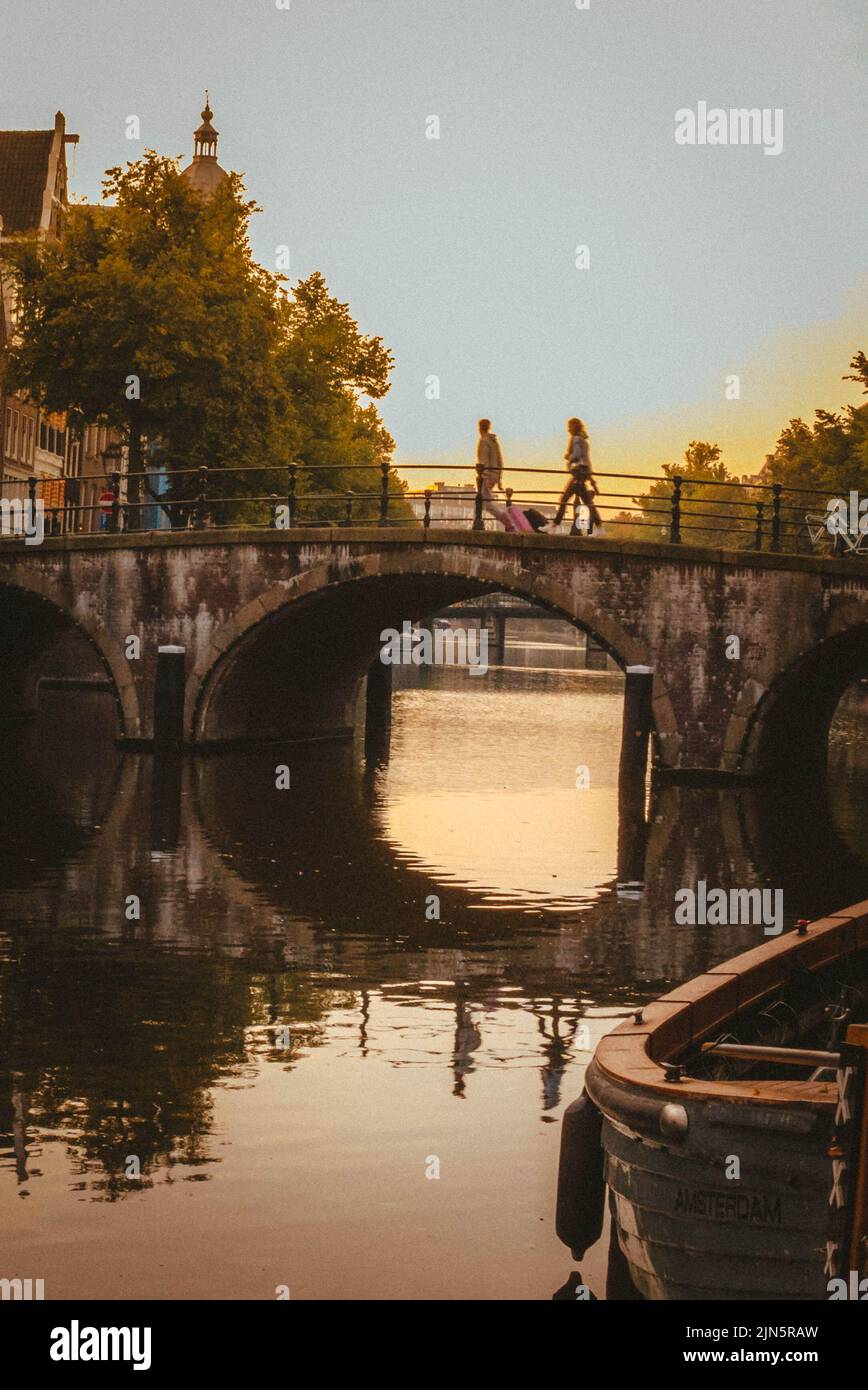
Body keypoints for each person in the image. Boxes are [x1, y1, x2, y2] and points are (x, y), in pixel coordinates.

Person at [551, 418, 604, 533]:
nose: (568, 430)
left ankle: (554, 526)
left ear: (574, 427)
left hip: (578, 472)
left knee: (565, 499)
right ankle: (600, 527)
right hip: (583, 472)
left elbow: (577, 455)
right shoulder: (583, 440)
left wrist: (568, 457)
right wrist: (591, 479)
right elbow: (587, 460)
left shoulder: (575, 439)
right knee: (588, 503)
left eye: (569, 427)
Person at [477, 419, 510, 526]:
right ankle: (477, 522)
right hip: (494, 474)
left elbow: (483, 461)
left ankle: (507, 521)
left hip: (487, 475)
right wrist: (499, 478)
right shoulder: (494, 441)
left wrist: (485, 477)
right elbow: (500, 460)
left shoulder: (484, 441)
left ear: (480, 428)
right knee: (482, 501)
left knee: (484, 502)